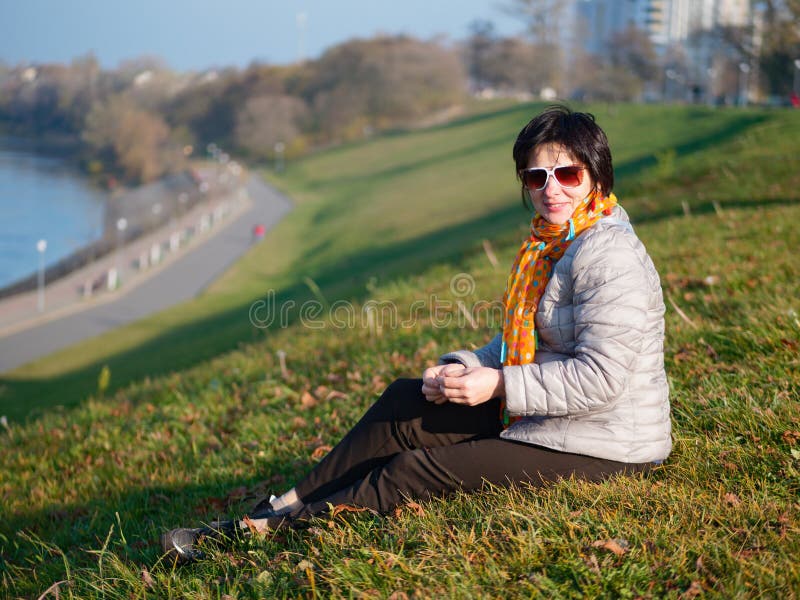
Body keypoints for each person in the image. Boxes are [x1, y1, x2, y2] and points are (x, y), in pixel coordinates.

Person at [161, 105, 672, 563]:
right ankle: (280, 506)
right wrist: (467, 368)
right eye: (536, 176)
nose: (550, 189)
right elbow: (531, 342)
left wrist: (498, 384)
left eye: (568, 173)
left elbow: (602, 378)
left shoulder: (608, 255)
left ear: (597, 176)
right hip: (553, 417)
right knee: (405, 401)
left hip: (606, 446)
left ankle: (262, 536)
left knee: (411, 469)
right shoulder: (552, 244)